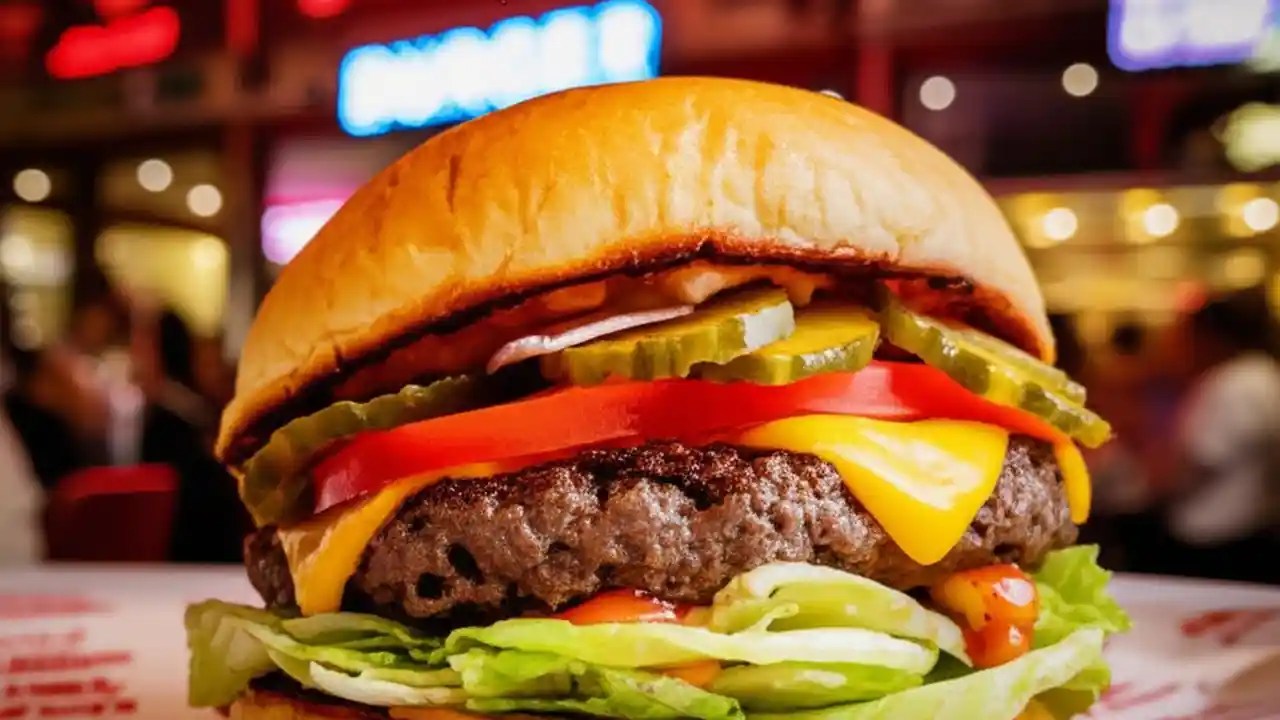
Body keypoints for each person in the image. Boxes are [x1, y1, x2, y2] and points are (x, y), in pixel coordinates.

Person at [1164, 287, 1280, 583]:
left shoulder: (1234, 383)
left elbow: (1199, 462)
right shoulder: (1266, 374)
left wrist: (1154, 490)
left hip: (1213, 536)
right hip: (1251, 528)